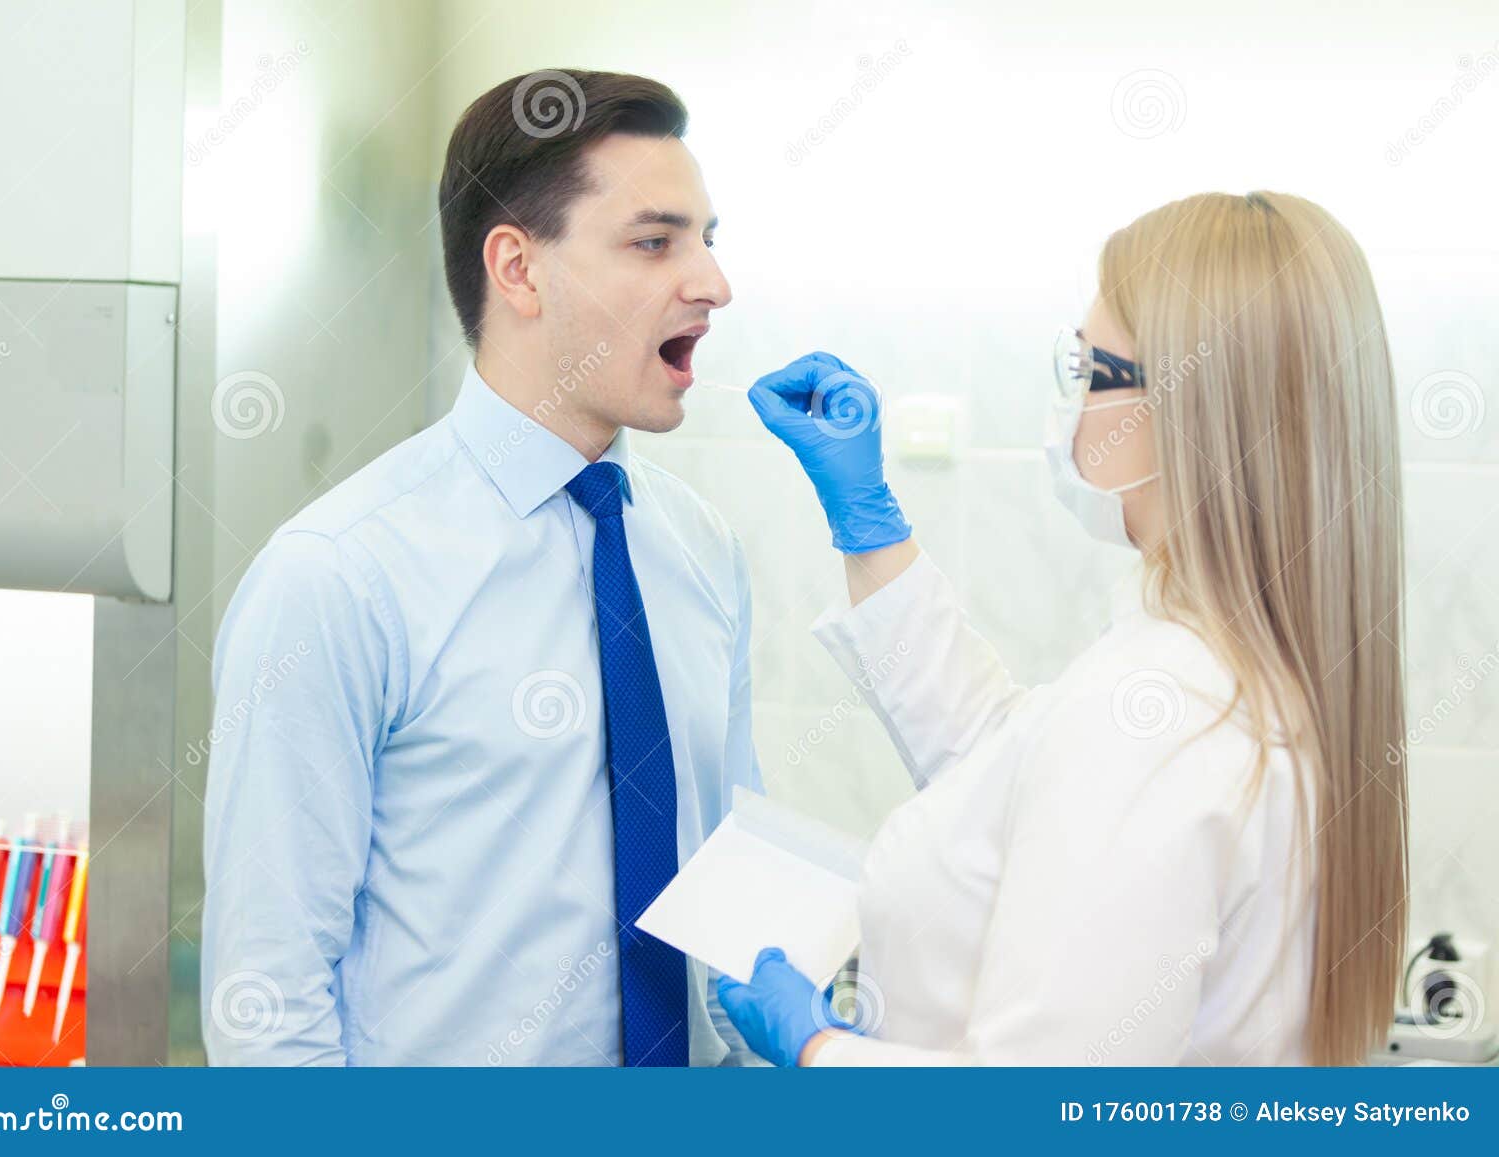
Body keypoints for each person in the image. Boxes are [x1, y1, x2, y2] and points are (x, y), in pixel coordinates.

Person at [718, 191, 1408, 1066]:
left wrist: (818, 1051)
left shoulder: (1157, 712)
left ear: (1183, 411)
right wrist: (871, 525)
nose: (1070, 400)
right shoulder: (1237, 673)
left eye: (1089, 369)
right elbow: (1012, 766)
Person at [201, 69, 761, 1066]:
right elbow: (269, 1000)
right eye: (654, 241)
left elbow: (729, 898)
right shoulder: (339, 577)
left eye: (707, 240)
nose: (711, 283)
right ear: (517, 268)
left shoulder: (701, 549)